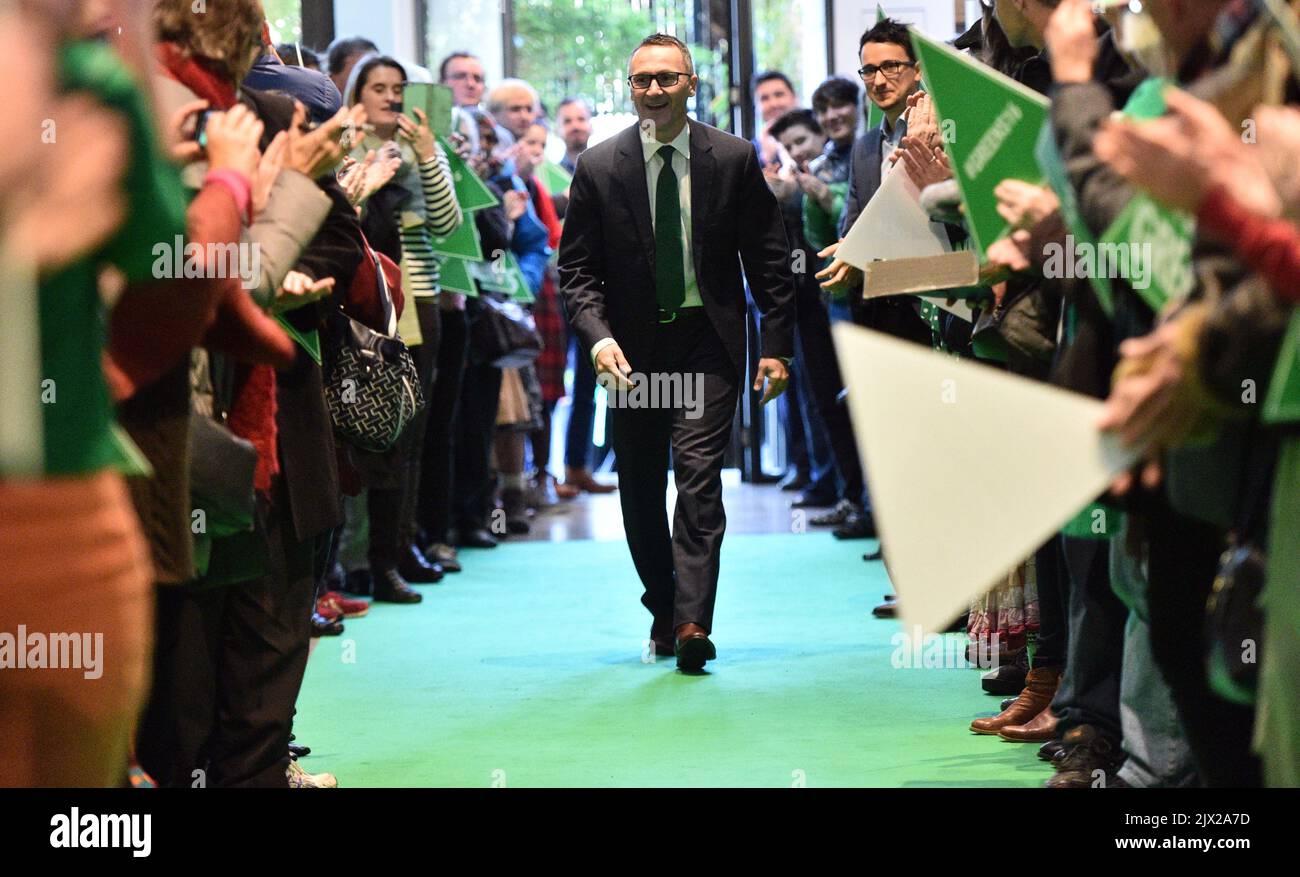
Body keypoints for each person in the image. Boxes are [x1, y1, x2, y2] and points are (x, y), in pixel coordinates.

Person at [558, 33, 796, 671]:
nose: (655, 90)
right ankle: (663, 606)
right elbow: (576, 272)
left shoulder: (735, 158)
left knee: (698, 479)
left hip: (706, 344)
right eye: (643, 80)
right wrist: (599, 338)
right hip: (631, 352)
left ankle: (693, 621)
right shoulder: (599, 166)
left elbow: (770, 261)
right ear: (629, 88)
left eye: (667, 78)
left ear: (692, 85)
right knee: (637, 485)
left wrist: (777, 347)